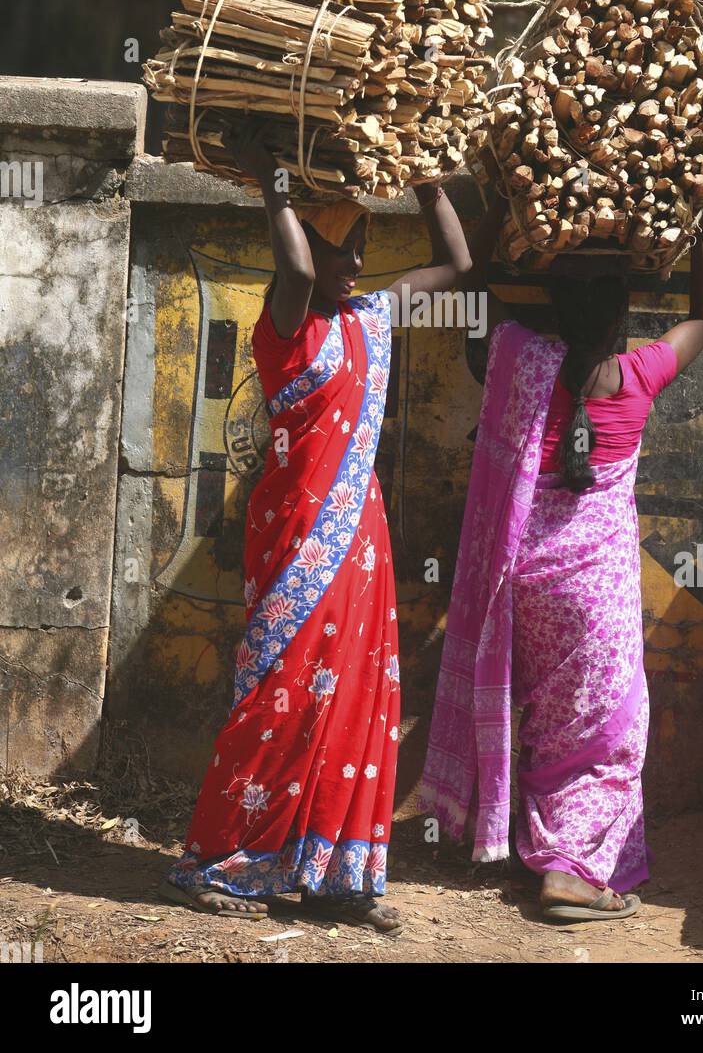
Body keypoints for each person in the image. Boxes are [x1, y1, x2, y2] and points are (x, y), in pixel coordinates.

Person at [161, 124, 473, 934]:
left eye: (363, 248)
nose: (357, 265)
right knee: (279, 691)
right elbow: (296, 263)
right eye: (344, 250)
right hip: (298, 527)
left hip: (360, 541)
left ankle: (336, 873)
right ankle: (224, 856)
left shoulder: (373, 316)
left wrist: (429, 180)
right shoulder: (286, 324)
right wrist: (272, 181)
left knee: (357, 698)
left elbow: (459, 266)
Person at [420, 178, 703, 922]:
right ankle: (574, 866)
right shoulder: (640, 377)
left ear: (551, 308)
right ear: (623, 314)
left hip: (521, 581)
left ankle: (532, 845)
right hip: (595, 594)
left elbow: (466, 287)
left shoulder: (514, 358)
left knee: (538, 717)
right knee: (603, 732)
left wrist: (496, 200)